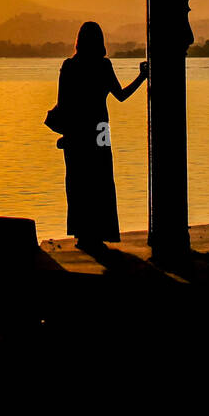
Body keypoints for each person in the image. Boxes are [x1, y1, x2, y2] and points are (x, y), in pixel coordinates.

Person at [52, 21, 147, 250]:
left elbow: (62, 104)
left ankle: (83, 234)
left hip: (76, 133)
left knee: (78, 183)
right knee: (100, 181)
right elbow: (121, 96)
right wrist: (142, 76)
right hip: (99, 132)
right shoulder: (103, 66)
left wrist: (65, 134)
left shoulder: (69, 66)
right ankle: (98, 232)